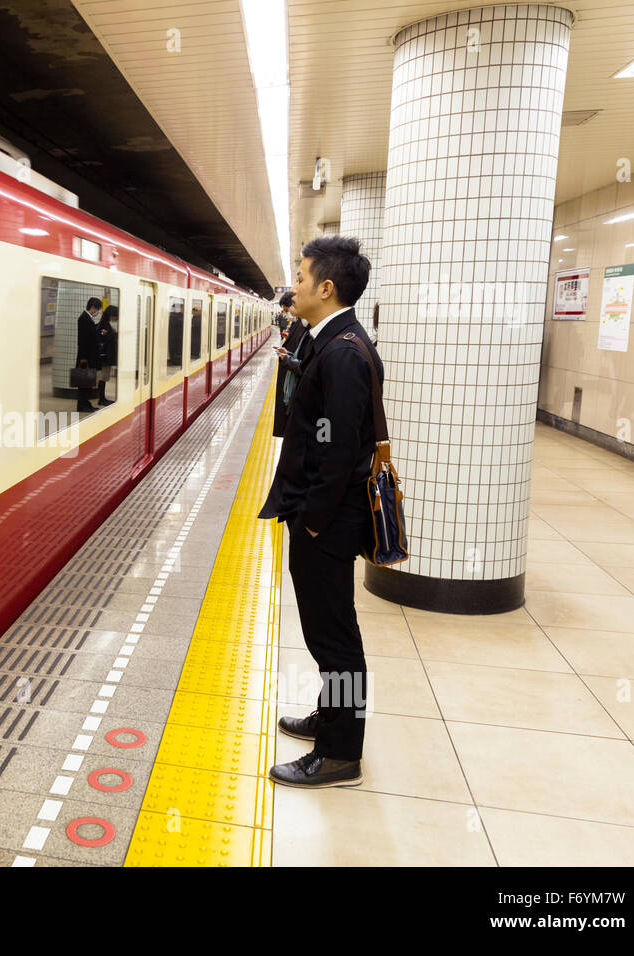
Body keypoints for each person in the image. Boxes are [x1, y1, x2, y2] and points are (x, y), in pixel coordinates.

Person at [258, 235, 384, 789]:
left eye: (303, 278)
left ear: (326, 287)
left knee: (336, 639)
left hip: (327, 523)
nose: (295, 286)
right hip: (325, 518)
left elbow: (335, 450)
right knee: (328, 632)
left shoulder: (342, 352)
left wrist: (311, 517)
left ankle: (340, 753)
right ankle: (330, 718)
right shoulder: (336, 341)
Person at [272, 291, 310, 438]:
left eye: (287, 310)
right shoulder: (299, 324)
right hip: (291, 390)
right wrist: (286, 353)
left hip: (294, 392)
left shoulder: (305, 327)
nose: (287, 314)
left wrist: (287, 358)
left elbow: (306, 365)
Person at [74, 296, 103, 412]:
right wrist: (84, 358)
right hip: (85, 357)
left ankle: (86, 403)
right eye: (97, 309)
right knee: (84, 383)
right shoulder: (84, 318)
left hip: (89, 356)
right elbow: (83, 340)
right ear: (93, 307)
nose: (97, 312)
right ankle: (82, 405)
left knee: (88, 382)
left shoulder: (88, 318)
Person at [96, 303, 118, 407]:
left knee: (104, 377)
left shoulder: (105, 323)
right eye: (115, 316)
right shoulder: (103, 324)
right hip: (104, 355)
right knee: (103, 377)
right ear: (111, 315)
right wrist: (113, 334)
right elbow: (103, 339)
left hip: (106, 355)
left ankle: (102, 397)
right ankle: (101, 399)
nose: (115, 318)